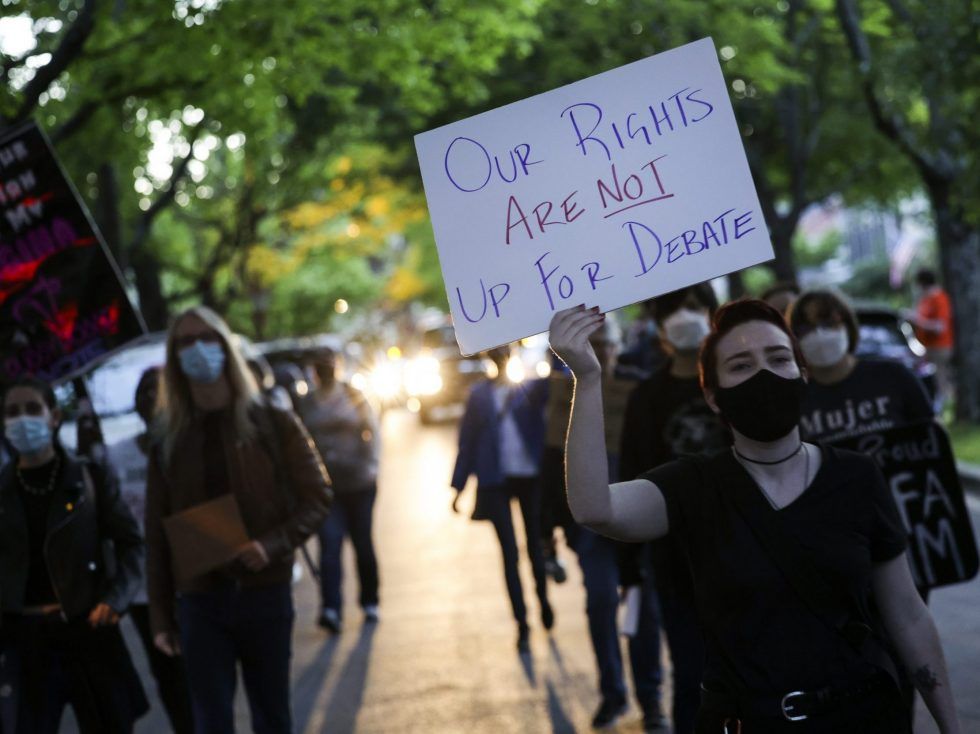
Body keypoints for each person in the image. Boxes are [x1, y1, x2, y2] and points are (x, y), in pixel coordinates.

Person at [550, 299, 960, 733]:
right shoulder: (693, 486)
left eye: (779, 358)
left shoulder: (857, 477)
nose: (764, 375)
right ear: (713, 395)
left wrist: (950, 726)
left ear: (802, 374)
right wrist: (588, 378)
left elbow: (907, 615)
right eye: (741, 365)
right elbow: (595, 507)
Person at [145, 306, 332, 734]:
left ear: (225, 346)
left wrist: (271, 545)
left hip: (264, 592)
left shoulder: (272, 420)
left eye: (206, 338)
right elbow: (155, 534)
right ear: (174, 358)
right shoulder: (167, 439)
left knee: (272, 717)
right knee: (211, 722)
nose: (197, 349)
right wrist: (160, 617)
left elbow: (318, 496)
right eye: (185, 342)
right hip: (200, 601)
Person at [0, 375, 147, 733]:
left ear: (53, 416)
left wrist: (115, 600)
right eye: (12, 412)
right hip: (25, 643)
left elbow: (132, 544)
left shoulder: (88, 477)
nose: (22, 420)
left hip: (89, 632)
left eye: (32, 409)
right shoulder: (3, 490)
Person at [541, 315, 666, 730]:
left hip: (637, 516)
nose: (602, 352)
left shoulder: (641, 389)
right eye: (593, 344)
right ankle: (613, 694)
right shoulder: (565, 395)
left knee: (643, 610)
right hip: (591, 529)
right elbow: (551, 462)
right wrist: (548, 528)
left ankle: (651, 700)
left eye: (606, 343)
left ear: (618, 347)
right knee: (600, 603)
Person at [619, 284, 729, 734]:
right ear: (660, 328)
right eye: (676, 309)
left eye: (695, 306)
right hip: (676, 559)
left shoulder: (734, 383)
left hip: (746, 544)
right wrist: (629, 566)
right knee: (692, 678)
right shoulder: (646, 397)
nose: (686, 316)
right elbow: (631, 478)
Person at [104, 367, 194, 734]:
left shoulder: (190, 449)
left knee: (200, 670)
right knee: (168, 673)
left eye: (158, 392)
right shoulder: (115, 455)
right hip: (145, 587)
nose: (150, 400)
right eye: (143, 393)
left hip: (191, 581)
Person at [450, 345, 553, 653]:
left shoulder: (531, 388)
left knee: (535, 546)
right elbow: (467, 442)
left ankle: (543, 600)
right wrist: (458, 487)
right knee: (509, 553)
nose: (500, 357)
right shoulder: (479, 395)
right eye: (495, 353)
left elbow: (561, 383)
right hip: (495, 480)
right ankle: (522, 623)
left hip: (529, 476)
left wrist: (556, 350)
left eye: (504, 352)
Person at [296, 346, 381, 633]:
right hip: (326, 489)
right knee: (330, 546)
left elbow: (373, 430)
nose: (325, 369)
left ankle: (370, 601)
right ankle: (331, 608)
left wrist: (372, 465)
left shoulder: (354, 395)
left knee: (362, 544)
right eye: (320, 364)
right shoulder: (307, 403)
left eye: (329, 363)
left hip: (360, 483)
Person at [788, 289, 934, 444]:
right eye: (806, 328)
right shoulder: (795, 404)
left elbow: (932, 437)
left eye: (828, 322)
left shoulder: (894, 376)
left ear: (847, 324)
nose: (819, 333)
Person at [907, 268, 955, 412]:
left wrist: (918, 320)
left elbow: (940, 327)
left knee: (941, 380)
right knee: (932, 380)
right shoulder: (925, 299)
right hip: (927, 347)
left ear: (923, 283)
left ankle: (945, 409)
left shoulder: (939, 298)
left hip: (940, 347)